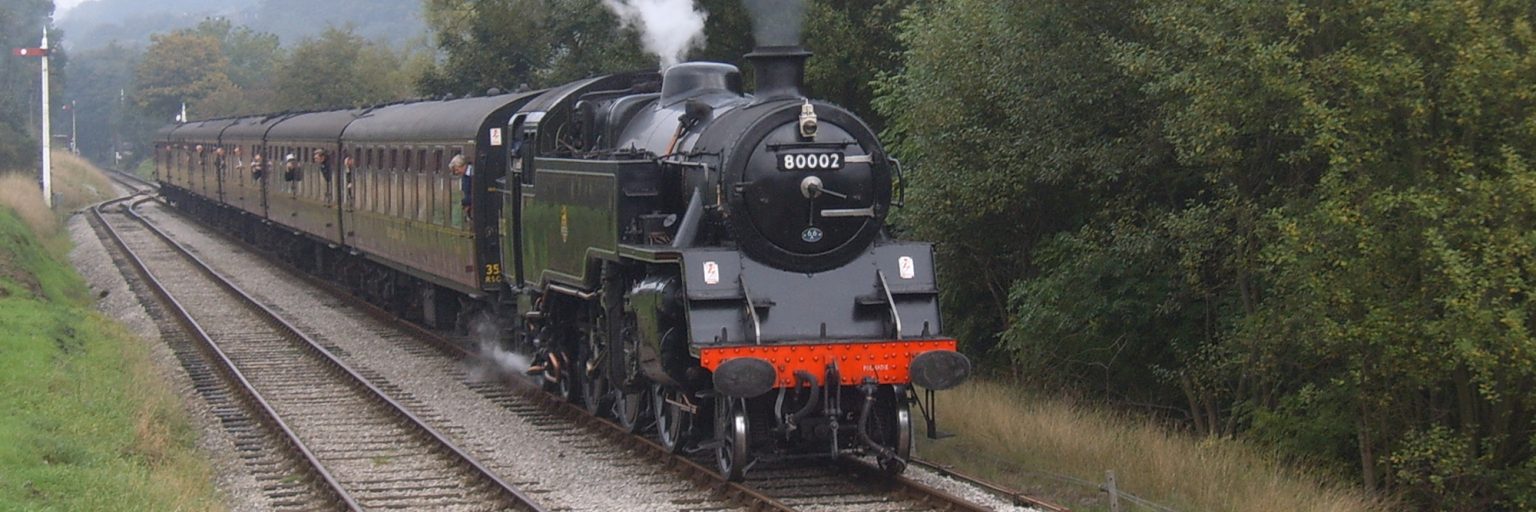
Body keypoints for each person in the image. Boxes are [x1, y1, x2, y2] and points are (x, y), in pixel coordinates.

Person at [450, 154, 473, 221]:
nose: (456, 172)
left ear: (463, 166)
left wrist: (465, 202)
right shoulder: (464, 176)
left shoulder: (473, 173)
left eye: (457, 169)